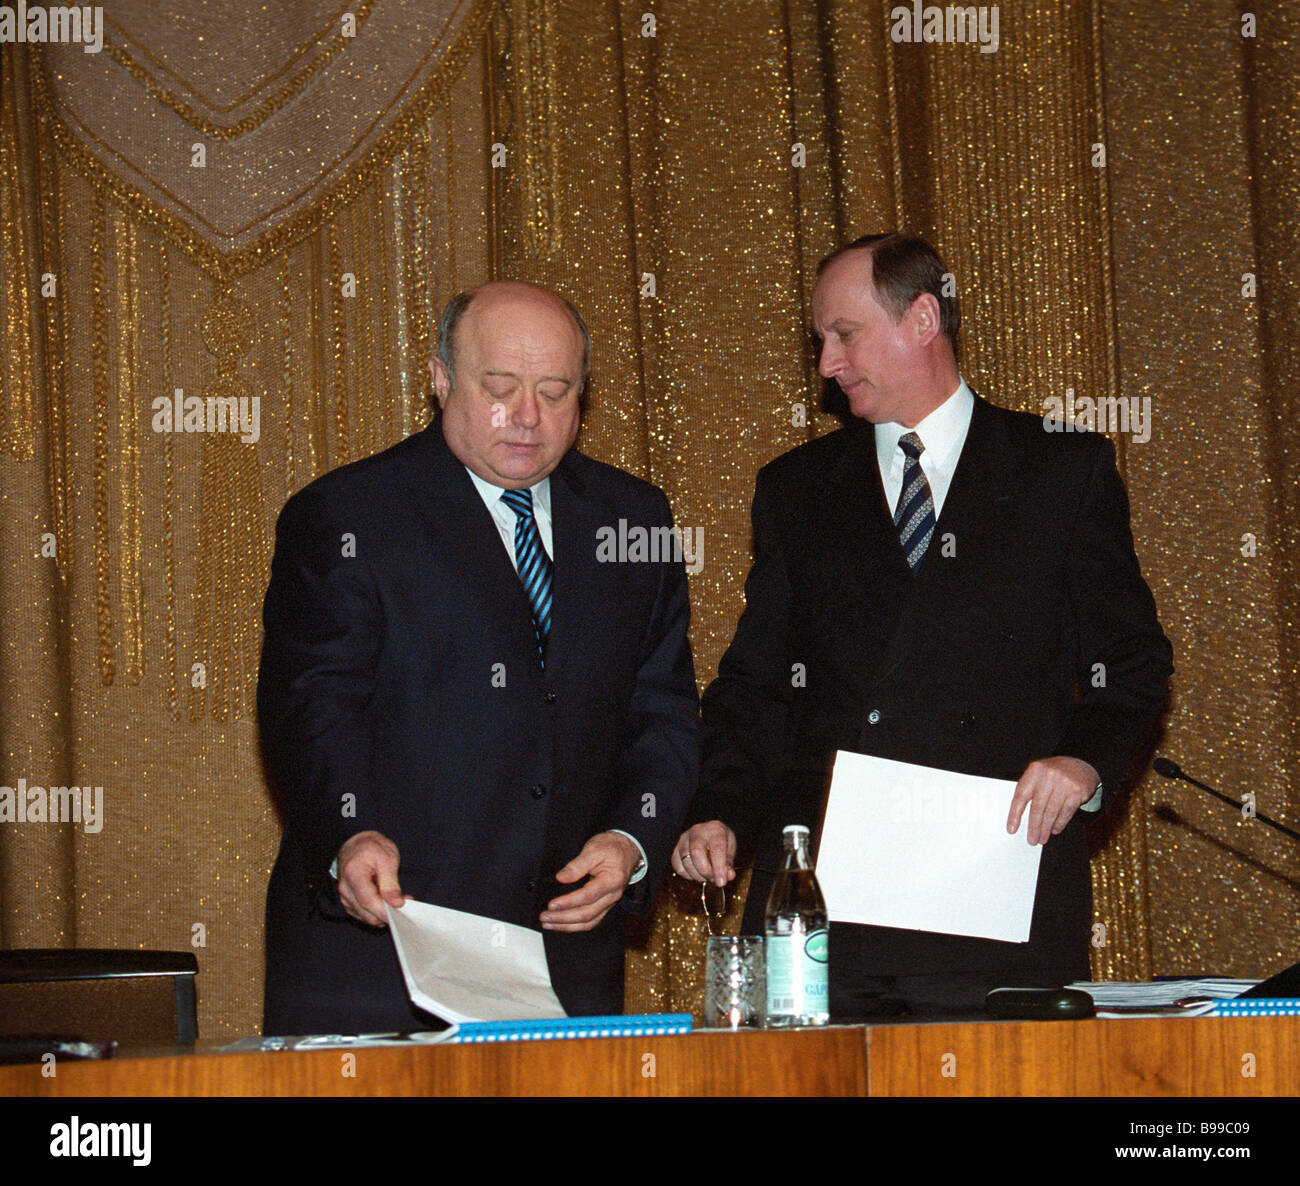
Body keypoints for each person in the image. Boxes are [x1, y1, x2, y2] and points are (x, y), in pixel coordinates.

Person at [674, 234, 1172, 1020]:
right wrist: (719, 809)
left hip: (996, 897)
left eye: (845, 335)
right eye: (820, 341)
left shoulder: (1059, 470)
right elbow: (757, 685)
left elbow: (1132, 660)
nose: (828, 365)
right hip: (826, 912)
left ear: (922, 317)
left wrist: (1083, 761)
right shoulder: (796, 489)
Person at [259, 280, 698, 1035]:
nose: (528, 416)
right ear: (439, 378)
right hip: (384, 952)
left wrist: (632, 840)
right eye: (499, 388)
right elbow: (311, 706)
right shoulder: (347, 514)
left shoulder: (636, 519)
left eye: (556, 391)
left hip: (562, 960)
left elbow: (663, 709)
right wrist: (349, 833)